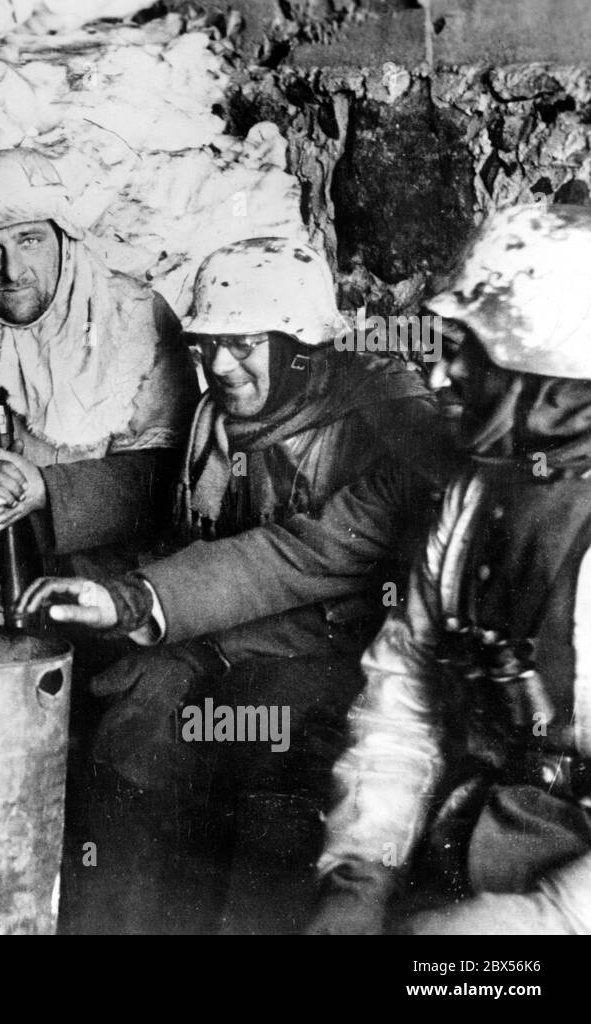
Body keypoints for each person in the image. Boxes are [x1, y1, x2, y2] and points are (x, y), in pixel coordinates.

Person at [22, 237, 441, 933]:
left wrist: (139, 599)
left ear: (301, 343)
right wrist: (48, 492)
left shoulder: (385, 422)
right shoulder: (224, 412)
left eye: (243, 343)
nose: (219, 365)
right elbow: (171, 500)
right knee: (131, 702)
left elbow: (301, 553)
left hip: (347, 660)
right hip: (228, 631)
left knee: (259, 734)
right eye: (207, 345)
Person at [310, 204, 591, 935]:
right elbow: (406, 695)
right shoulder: (473, 499)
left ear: (556, 382)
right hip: (476, 848)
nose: (435, 374)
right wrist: (360, 870)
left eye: (469, 353)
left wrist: (545, 919)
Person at [0, 148, 197, 622]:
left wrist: (45, 490)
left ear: (64, 240)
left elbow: (171, 480)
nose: (12, 272)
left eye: (30, 240)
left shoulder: (132, 316)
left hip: (114, 564)